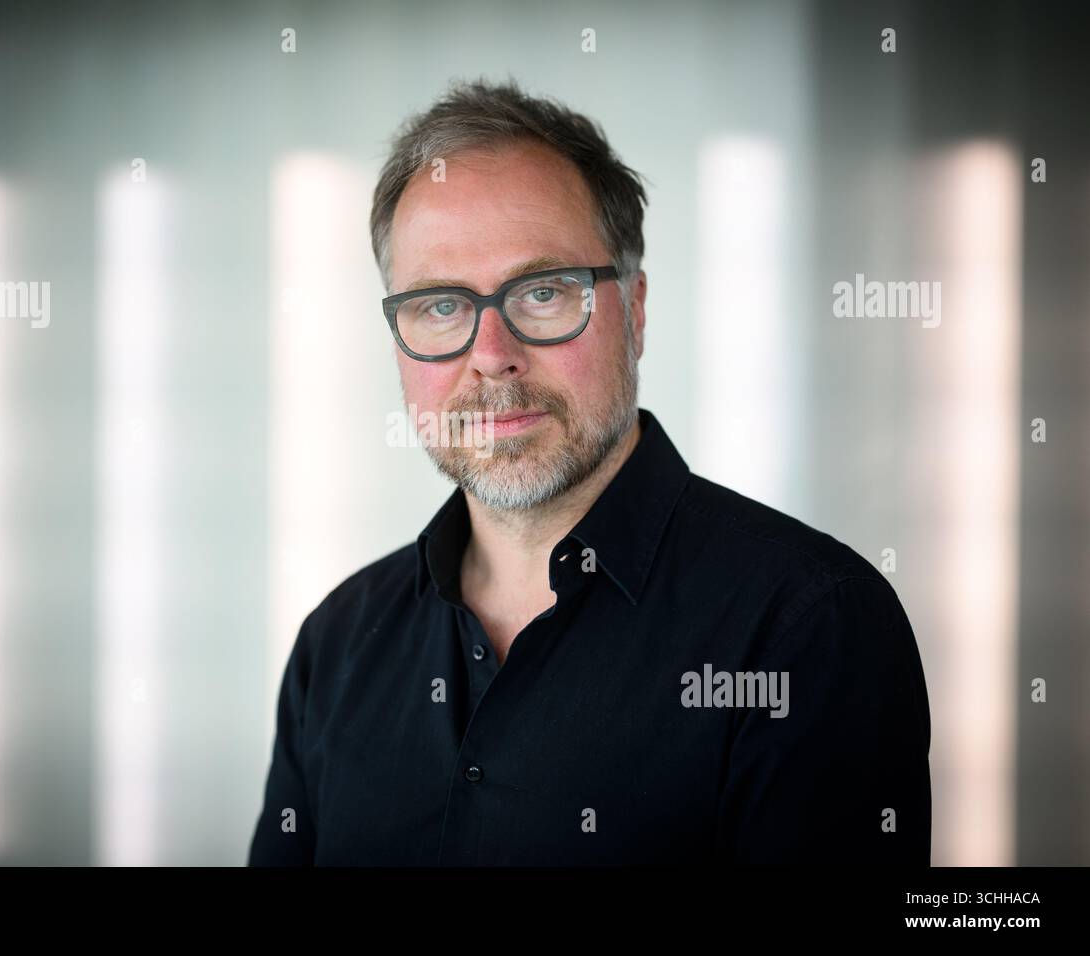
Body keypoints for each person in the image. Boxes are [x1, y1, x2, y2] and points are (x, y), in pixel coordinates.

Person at [248, 77, 931, 865]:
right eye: (439, 305)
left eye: (543, 292)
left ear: (634, 312)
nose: (492, 356)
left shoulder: (806, 630)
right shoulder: (335, 647)